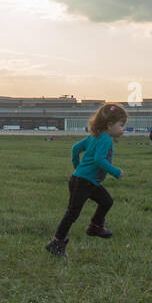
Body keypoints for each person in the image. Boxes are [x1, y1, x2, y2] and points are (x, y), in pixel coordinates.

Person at [45, 103, 128, 257]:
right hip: (84, 182)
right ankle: (56, 243)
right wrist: (116, 172)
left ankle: (95, 226)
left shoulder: (94, 137)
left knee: (107, 201)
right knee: (72, 214)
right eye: (121, 125)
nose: (123, 129)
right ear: (110, 125)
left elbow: (75, 149)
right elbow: (99, 159)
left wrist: (77, 168)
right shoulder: (106, 140)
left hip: (86, 181)